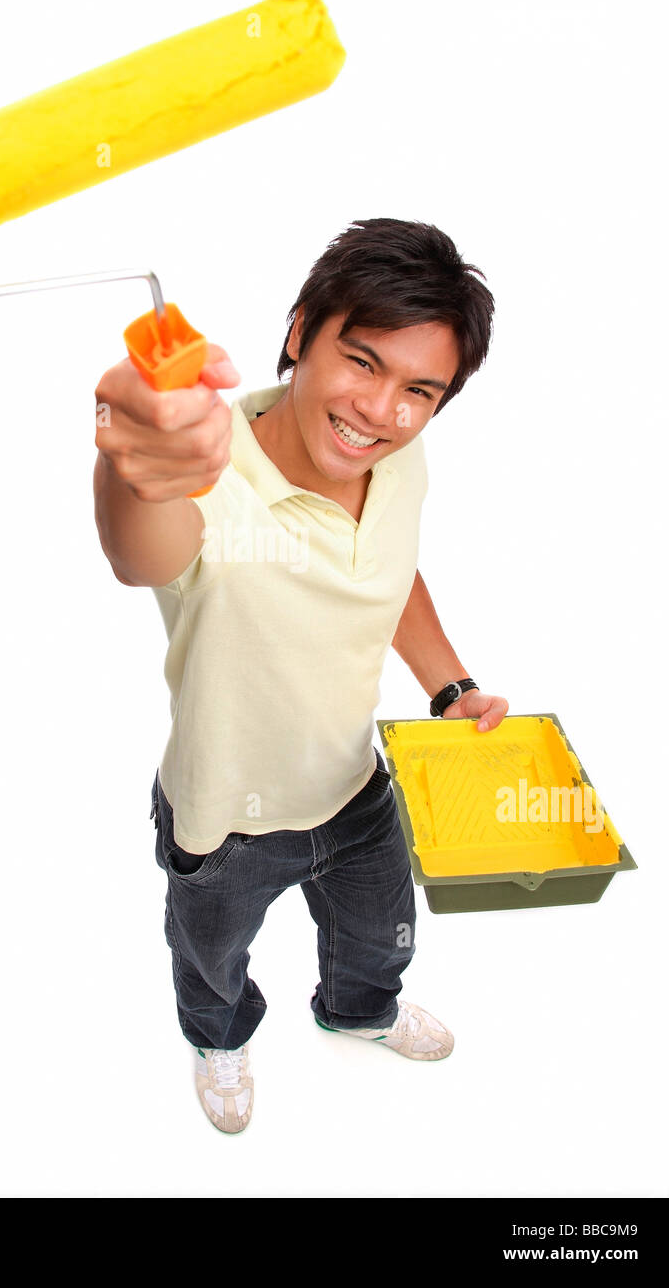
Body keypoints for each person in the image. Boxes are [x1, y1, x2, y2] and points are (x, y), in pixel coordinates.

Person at [93, 218, 509, 1134]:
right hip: (225, 820)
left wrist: (448, 687)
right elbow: (141, 551)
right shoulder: (206, 471)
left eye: (418, 390)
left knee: (381, 943)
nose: (379, 411)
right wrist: (132, 465)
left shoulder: (399, 456)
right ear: (298, 333)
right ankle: (218, 1041)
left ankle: (357, 1014)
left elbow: (386, 573)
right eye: (361, 363)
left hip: (356, 791)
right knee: (211, 965)